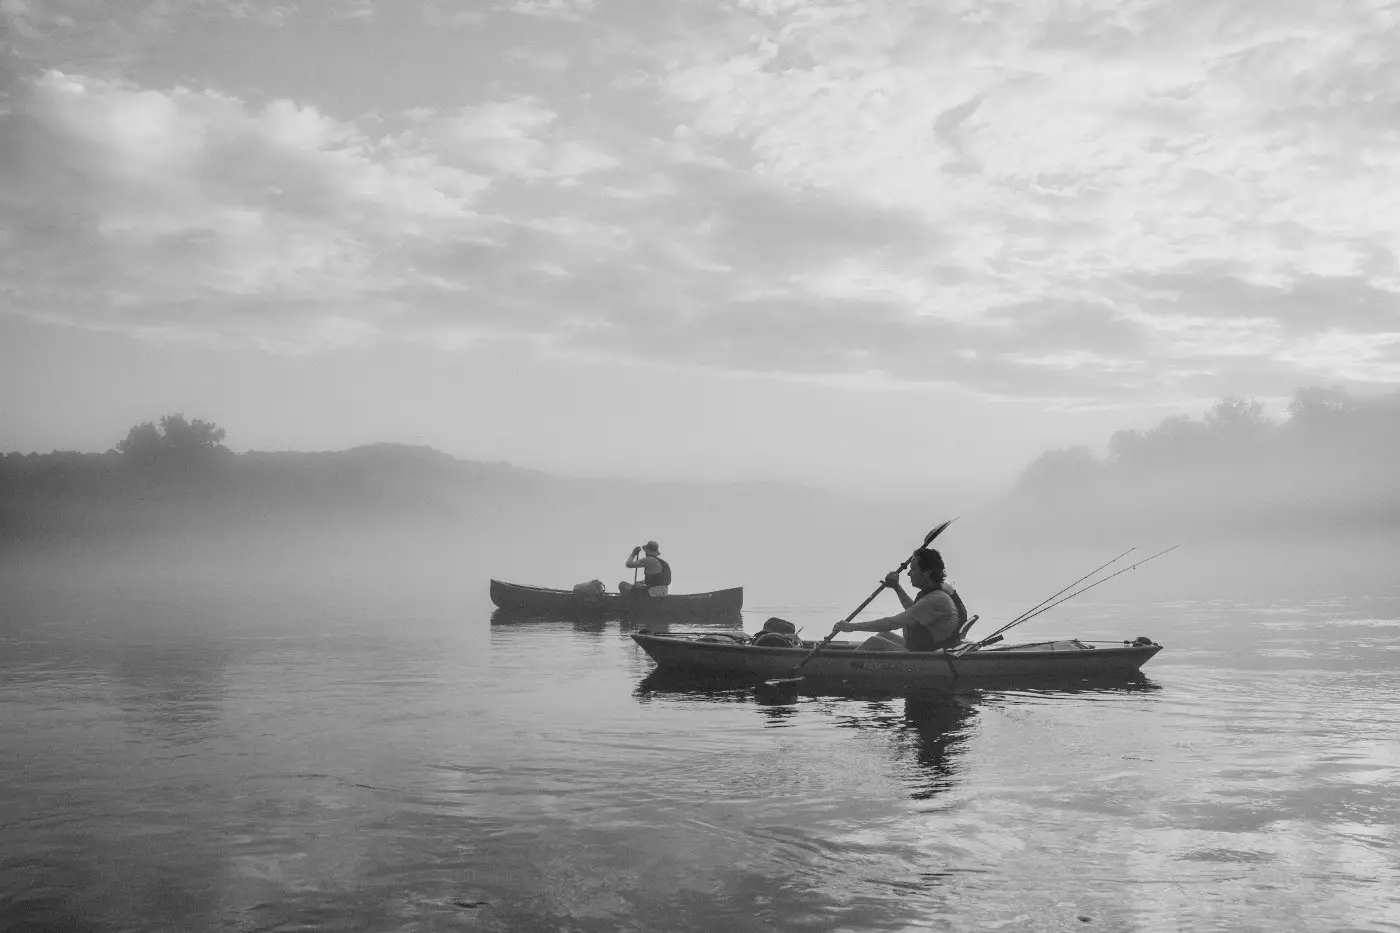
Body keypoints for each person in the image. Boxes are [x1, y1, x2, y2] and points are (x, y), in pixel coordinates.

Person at [833, 547, 968, 651]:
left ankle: (840, 671)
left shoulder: (935, 599)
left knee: (874, 642)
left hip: (925, 658)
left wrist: (851, 627)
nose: (908, 573)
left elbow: (892, 622)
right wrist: (897, 587)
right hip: (926, 650)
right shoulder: (940, 590)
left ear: (927, 572)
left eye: (913, 569)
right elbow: (915, 611)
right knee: (883, 635)